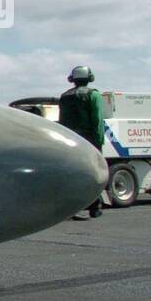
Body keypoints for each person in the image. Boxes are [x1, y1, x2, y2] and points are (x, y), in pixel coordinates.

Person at [58, 65, 106, 217]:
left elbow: (62, 120)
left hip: (70, 140)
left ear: (72, 79)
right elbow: (97, 120)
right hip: (89, 140)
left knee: (73, 174)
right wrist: (98, 142)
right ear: (89, 78)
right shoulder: (94, 95)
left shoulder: (65, 96)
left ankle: (72, 207)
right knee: (94, 173)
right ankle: (95, 206)